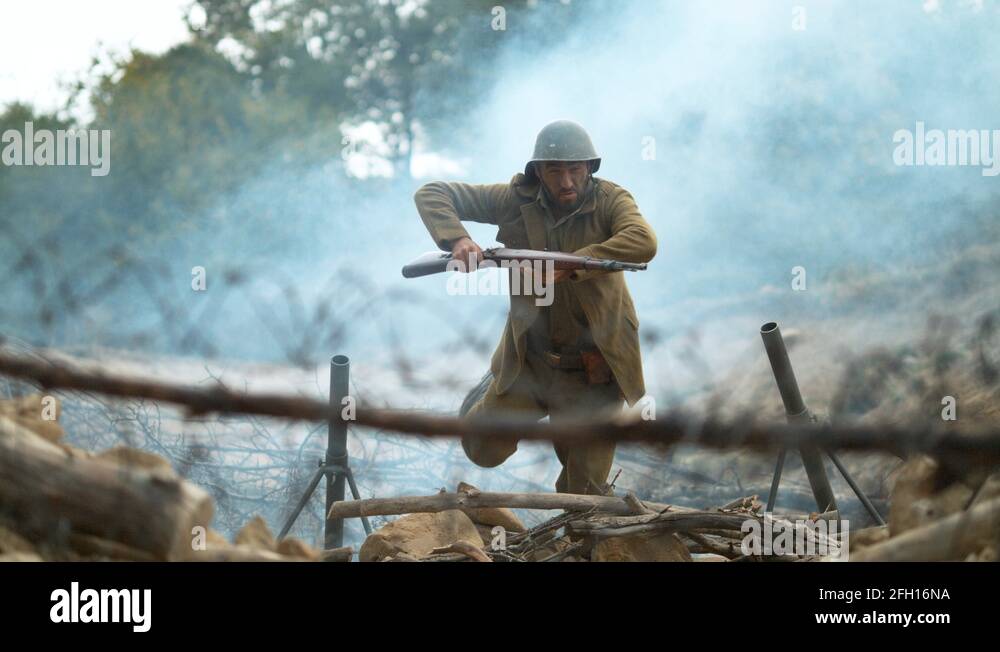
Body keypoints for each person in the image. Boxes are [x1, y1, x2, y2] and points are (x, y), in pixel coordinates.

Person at [413, 120, 657, 495]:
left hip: (594, 373)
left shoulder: (611, 200)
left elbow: (643, 241)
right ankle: (492, 388)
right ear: (538, 172)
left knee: (586, 493)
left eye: (575, 169)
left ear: (590, 168)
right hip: (531, 360)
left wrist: (575, 263)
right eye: (555, 171)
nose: (566, 182)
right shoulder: (514, 199)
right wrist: (459, 239)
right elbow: (433, 193)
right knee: (481, 448)